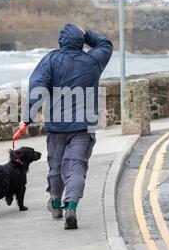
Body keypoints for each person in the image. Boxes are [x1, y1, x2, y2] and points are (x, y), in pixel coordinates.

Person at [22, 24, 113, 230]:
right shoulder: (93, 61)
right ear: (81, 41)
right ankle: (71, 206)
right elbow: (105, 43)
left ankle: (55, 204)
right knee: (76, 166)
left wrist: (27, 117)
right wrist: (86, 32)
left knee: (56, 167)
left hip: (56, 127)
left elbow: (37, 88)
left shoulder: (51, 60)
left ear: (61, 41)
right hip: (83, 127)